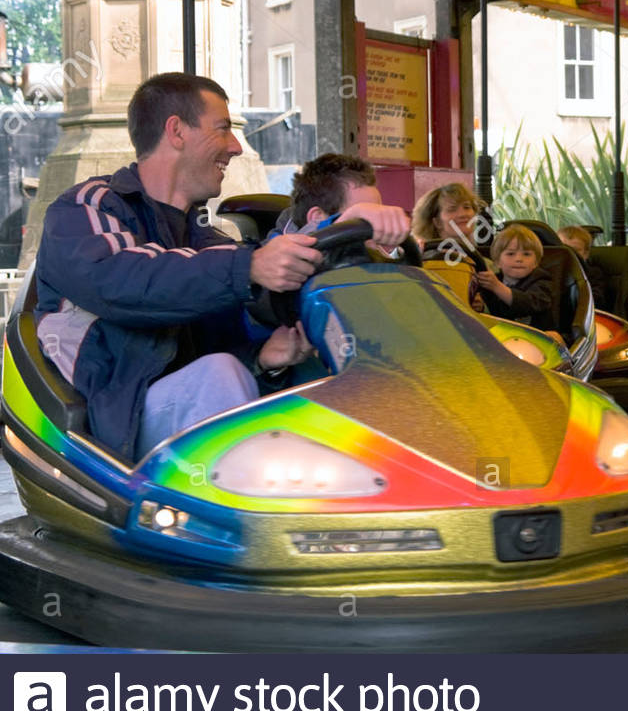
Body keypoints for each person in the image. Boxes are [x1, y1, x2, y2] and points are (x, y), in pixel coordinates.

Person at [32, 73, 399, 462]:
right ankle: (258, 519)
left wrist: (261, 359)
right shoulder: (89, 207)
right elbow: (122, 279)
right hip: (113, 427)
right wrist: (250, 267)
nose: (236, 146)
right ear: (176, 131)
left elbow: (240, 288)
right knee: (219, 374)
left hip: (173, 419)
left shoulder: (201, 236)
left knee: (310, 375)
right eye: (222, 128)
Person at [278, 152, 409, 256]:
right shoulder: (277, 266)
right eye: (362, 220)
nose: (375, 228)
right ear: (317, 218)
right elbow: (309, 242)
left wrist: (392, 250)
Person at [412, 182, 492, 311]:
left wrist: (483, 306)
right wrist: (411, 252)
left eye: (467, 207)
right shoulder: (420, 257)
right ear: (437, 222)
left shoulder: (487, 266)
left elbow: (500, 309)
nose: (463, 214)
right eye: (452, 209)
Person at [477, 224, 555, 330]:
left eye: (526, 254)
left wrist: (498, 287)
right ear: (497, 261)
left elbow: (529, 304)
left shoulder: (542, 281)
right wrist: (481, 306)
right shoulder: (493, 282)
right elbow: (491, 308)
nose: (519, 259)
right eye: (511, 254)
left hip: (537, 337)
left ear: (536, 262)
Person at [558, 224, 610, 310]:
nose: (570, 254)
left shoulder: (593, 273)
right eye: (565, 249)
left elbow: (596, 299)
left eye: (575, 250)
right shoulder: (550, 272)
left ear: (586, 254)